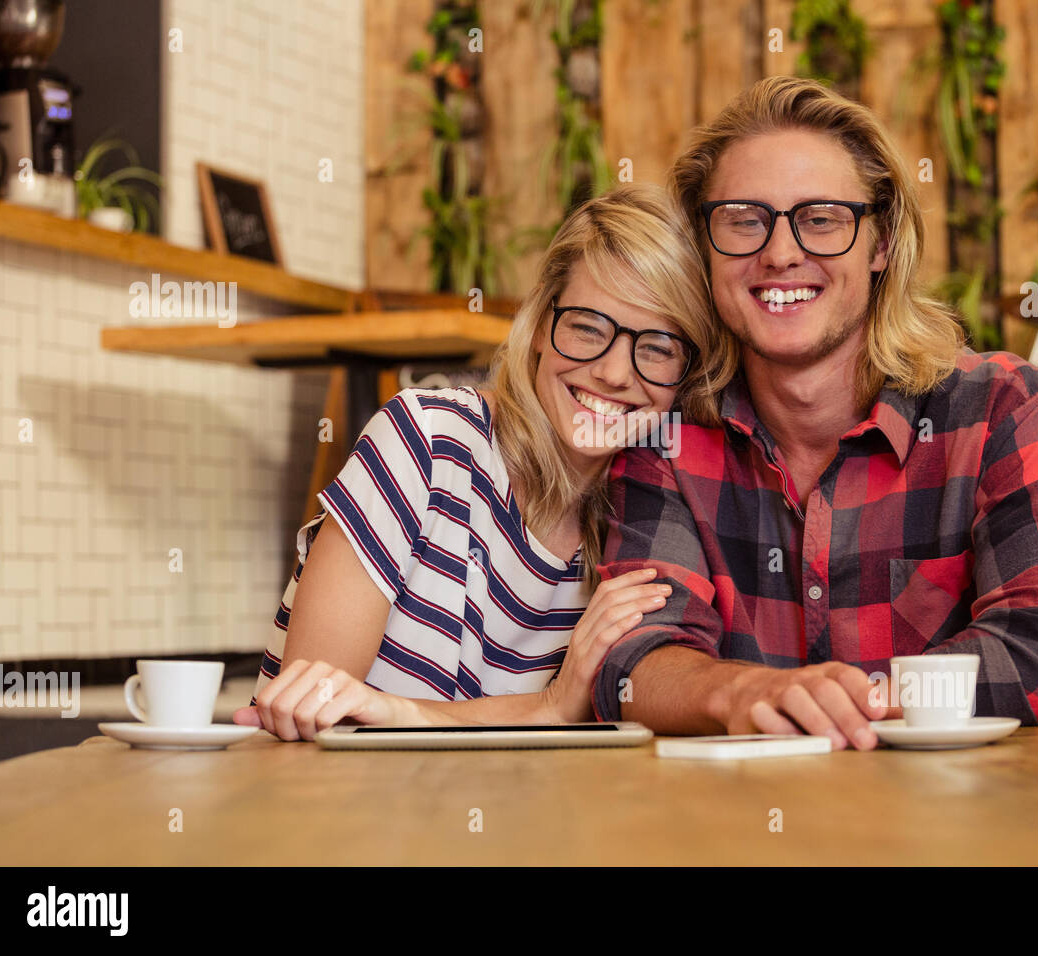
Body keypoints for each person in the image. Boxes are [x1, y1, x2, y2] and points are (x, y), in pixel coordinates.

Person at [590, 76, 1038, 749]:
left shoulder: (1000, 407)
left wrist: (835, 701)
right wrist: (745, 692)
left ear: (881, 242)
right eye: (744, 220)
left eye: (821, 218)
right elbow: (633, 665)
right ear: (706, 249)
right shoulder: (667, 436)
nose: (779, 253)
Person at [233, 182, 737, 741]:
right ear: (541, 325)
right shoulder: (427, 439)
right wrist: (547, 707)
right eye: (588, 328)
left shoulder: (649, 525)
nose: (615, 373)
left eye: (658, 347)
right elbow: (310, 717)